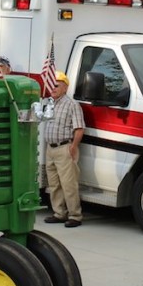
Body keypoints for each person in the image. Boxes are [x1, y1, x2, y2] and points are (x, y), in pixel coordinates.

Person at [43, 71, 86, 227]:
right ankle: (59, 213)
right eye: (51, 85)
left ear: (65, 87)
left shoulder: (72, 105)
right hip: (50, 149)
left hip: (64, 147)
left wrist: (73, 147)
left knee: (69, 184)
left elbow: (79, 128)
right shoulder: (49, 103)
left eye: (56, 85)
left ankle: (75, 215)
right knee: (54, 184)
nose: (53, 88)